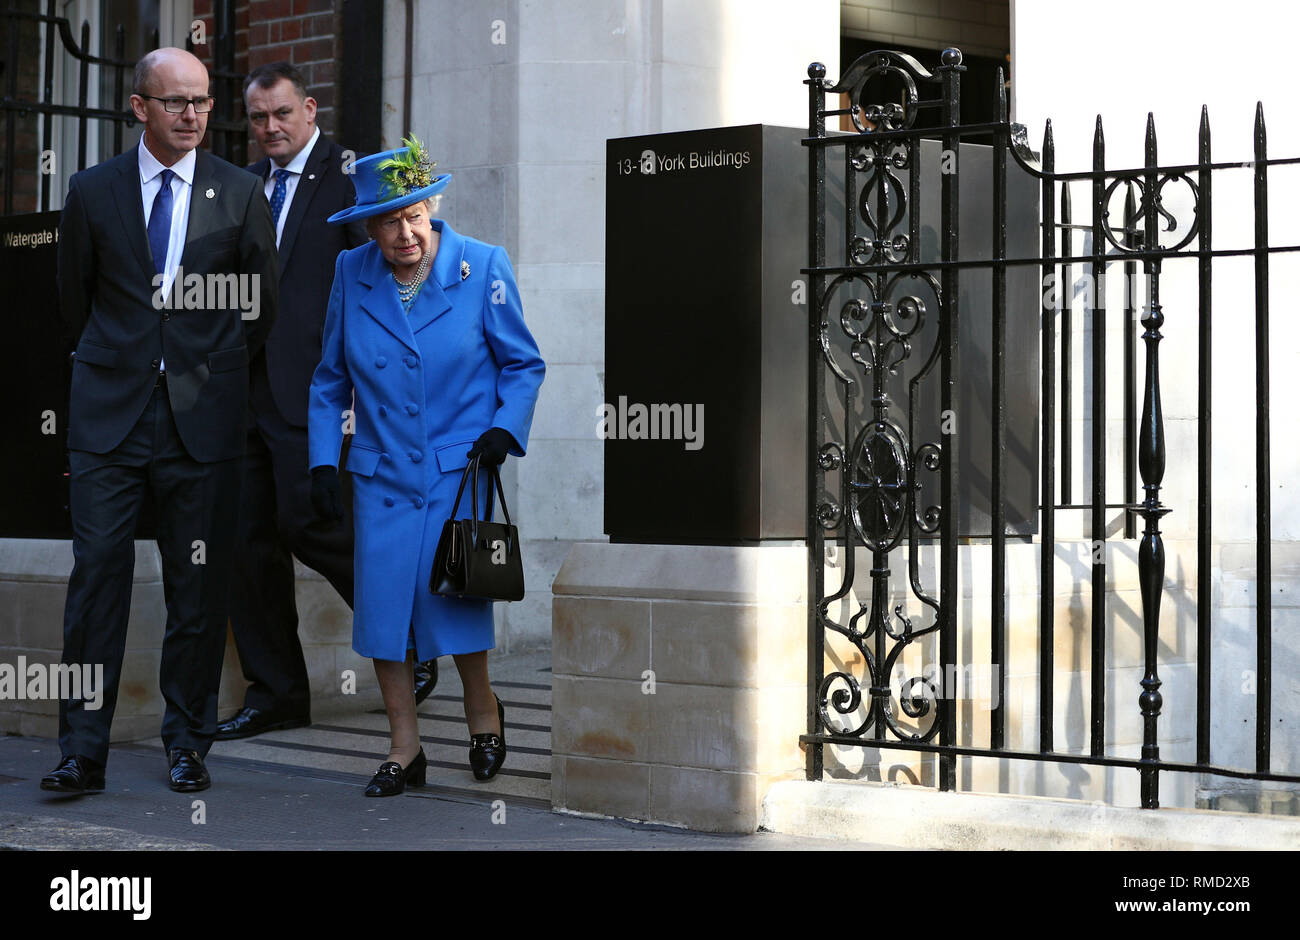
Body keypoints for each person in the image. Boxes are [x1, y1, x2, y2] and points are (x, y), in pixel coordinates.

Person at [43, 48, 278, 795]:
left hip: (202, 423)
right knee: (96, 584)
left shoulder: (241, 192)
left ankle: (188, 742)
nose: (192, 115)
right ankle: (81, 749)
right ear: (139, 107)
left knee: (198, 590)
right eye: (175, 102)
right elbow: (73, 302)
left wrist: (199, 368)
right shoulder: (92, 189)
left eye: (203, 102)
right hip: (109, 420)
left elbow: (259, 310)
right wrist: (126, 360)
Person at [307, 137, 544, 795]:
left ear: (432, 205)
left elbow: (524, 364)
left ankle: (483, 714)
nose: (405, 231)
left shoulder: (481, 265)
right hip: (381, 473)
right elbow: (329, 380)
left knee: (456, 600)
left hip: (456, 468)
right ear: (369, 226)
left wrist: (504, 426)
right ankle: (403, 749)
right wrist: (324, 461)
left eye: (414, 213)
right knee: (384, 614)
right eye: (389, 219)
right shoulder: (351, 273)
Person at [216, 62, 435, 744]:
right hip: (240, 392)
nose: (269, 127)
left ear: (309, 110)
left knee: (315, 522)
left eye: (281, 113)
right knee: (244, 542)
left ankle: (410, 639)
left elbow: (378, 288)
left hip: (316, 396)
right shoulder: (243, 186)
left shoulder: (348, 181)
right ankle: (276, 691)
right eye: (257, 117)